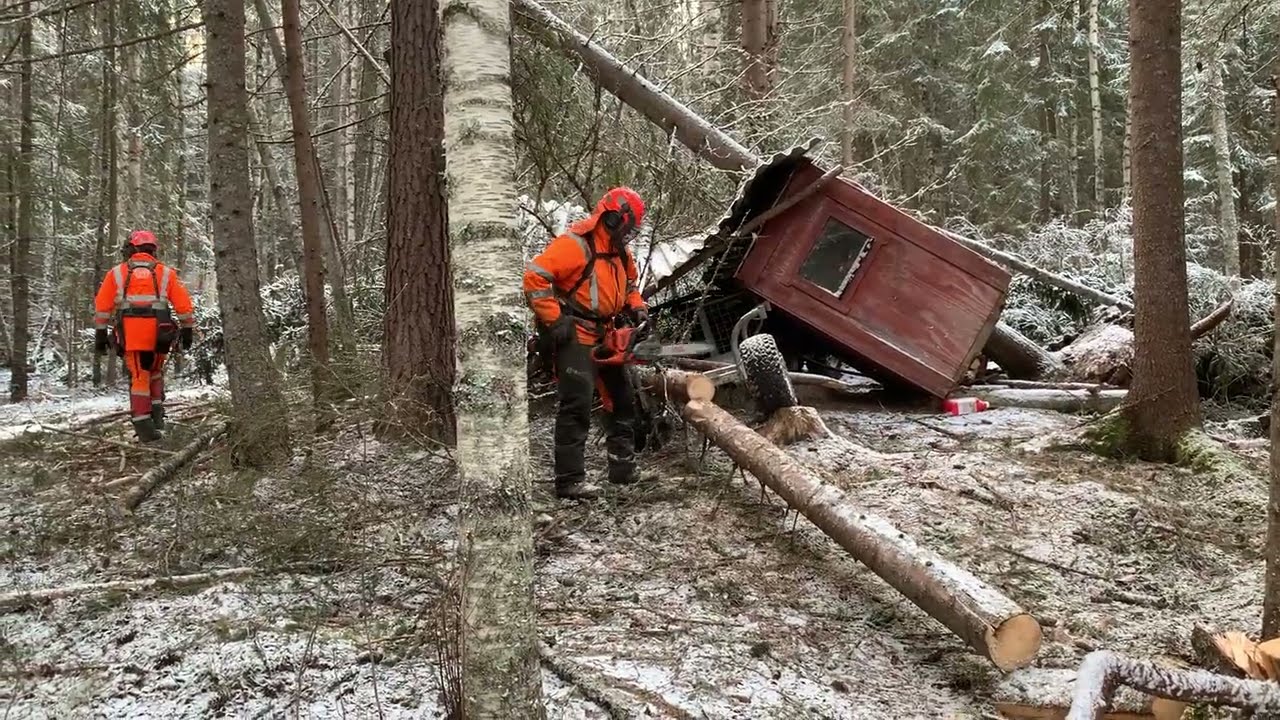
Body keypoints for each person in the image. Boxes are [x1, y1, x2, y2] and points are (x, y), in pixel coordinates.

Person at [524, 187, 650, 500]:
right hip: (575, 334)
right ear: (613, 218)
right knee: (576, 405)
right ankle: (569, 481)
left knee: (622, 399)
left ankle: (623, 467)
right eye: (628, 227)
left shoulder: (621, 252)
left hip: (605, 332)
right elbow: (535, 277)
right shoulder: (576, 245)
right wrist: (554, 319)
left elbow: (630, 285)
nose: (630, 235)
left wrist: (637, 306)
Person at [93, 230, 197, 442]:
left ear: (132, 248)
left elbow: (102, 306)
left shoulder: (117, 273)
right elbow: (183, 305)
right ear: (152, 250)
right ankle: (157, 418)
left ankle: (143, 424)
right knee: (155, 370)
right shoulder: (165, 273)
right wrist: (187, 329)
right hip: (160, 332)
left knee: (140, 375)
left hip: (130, 333)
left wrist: (101, 333)